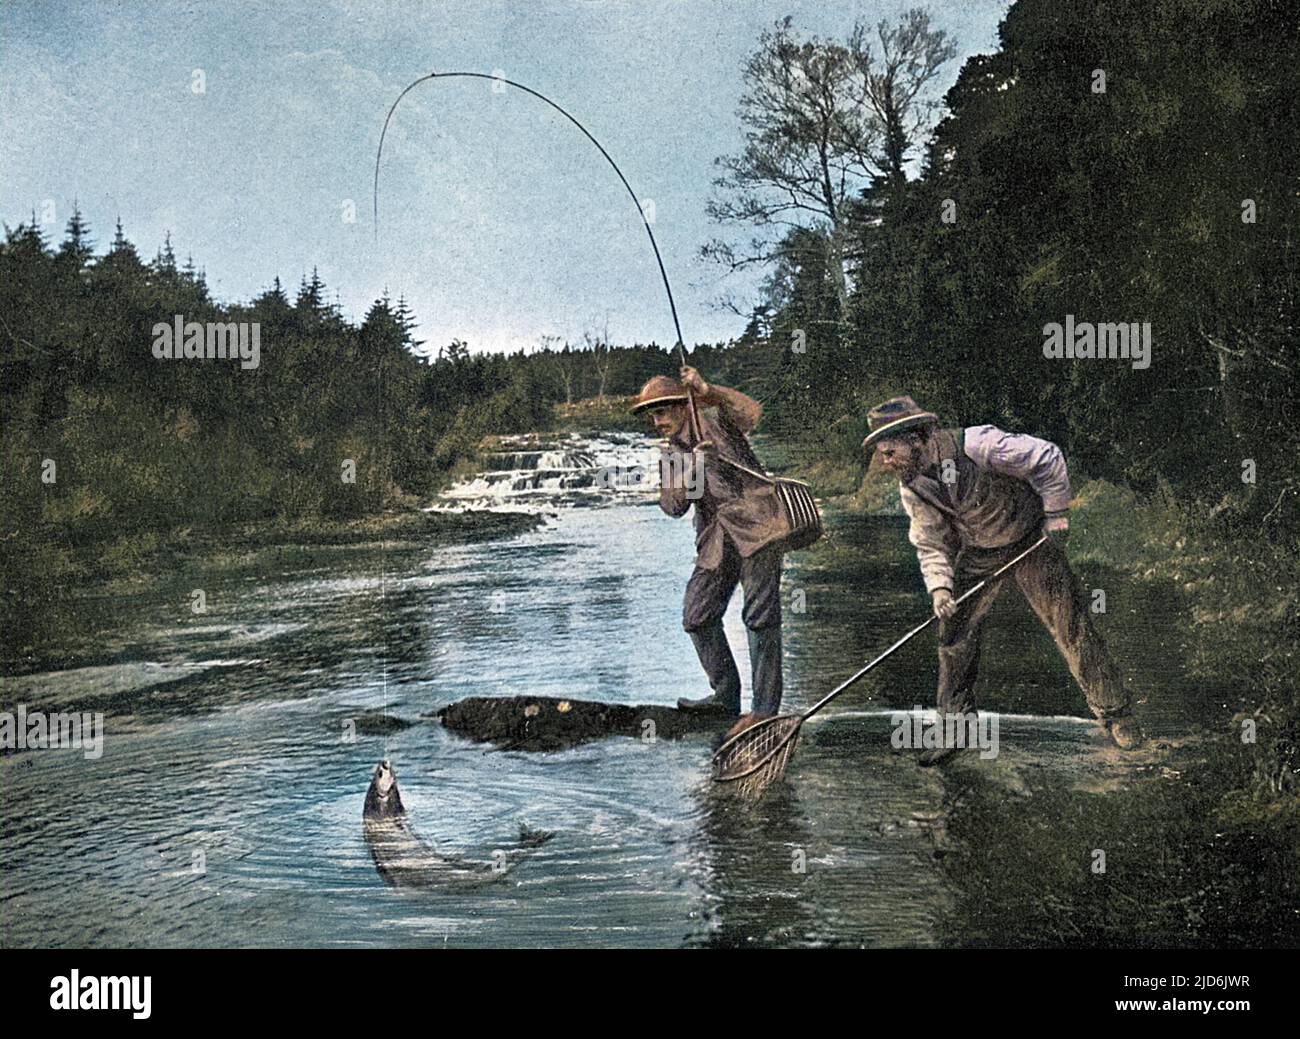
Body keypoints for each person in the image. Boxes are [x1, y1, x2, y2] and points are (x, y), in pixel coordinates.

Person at [862, 395, 1143, 765]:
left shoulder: (979, 444)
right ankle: (956, 727)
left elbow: (1047, 456)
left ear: (916, 438)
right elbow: (930, 541)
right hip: (981, 551)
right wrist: (941, 587)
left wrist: (1056, 513)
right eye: (883, 453)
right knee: (953, 631)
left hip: (1030, 539)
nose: (884, 462)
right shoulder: (912, 485)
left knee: (1069, 625)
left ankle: (1116, 715)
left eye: (889, 451)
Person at [631, 366, 784, 719]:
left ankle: (764, 712)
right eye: (652, 415)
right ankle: (725, 696)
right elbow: (673, 506)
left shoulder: (715, 419)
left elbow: (753, 414)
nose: (657, 421)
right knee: (697, 615)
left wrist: (708, 389)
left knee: (760, 619)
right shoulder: (671, 454)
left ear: (684, 405)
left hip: (759, 528)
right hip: (716, 541)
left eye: (663, 411)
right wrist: (695, 468)